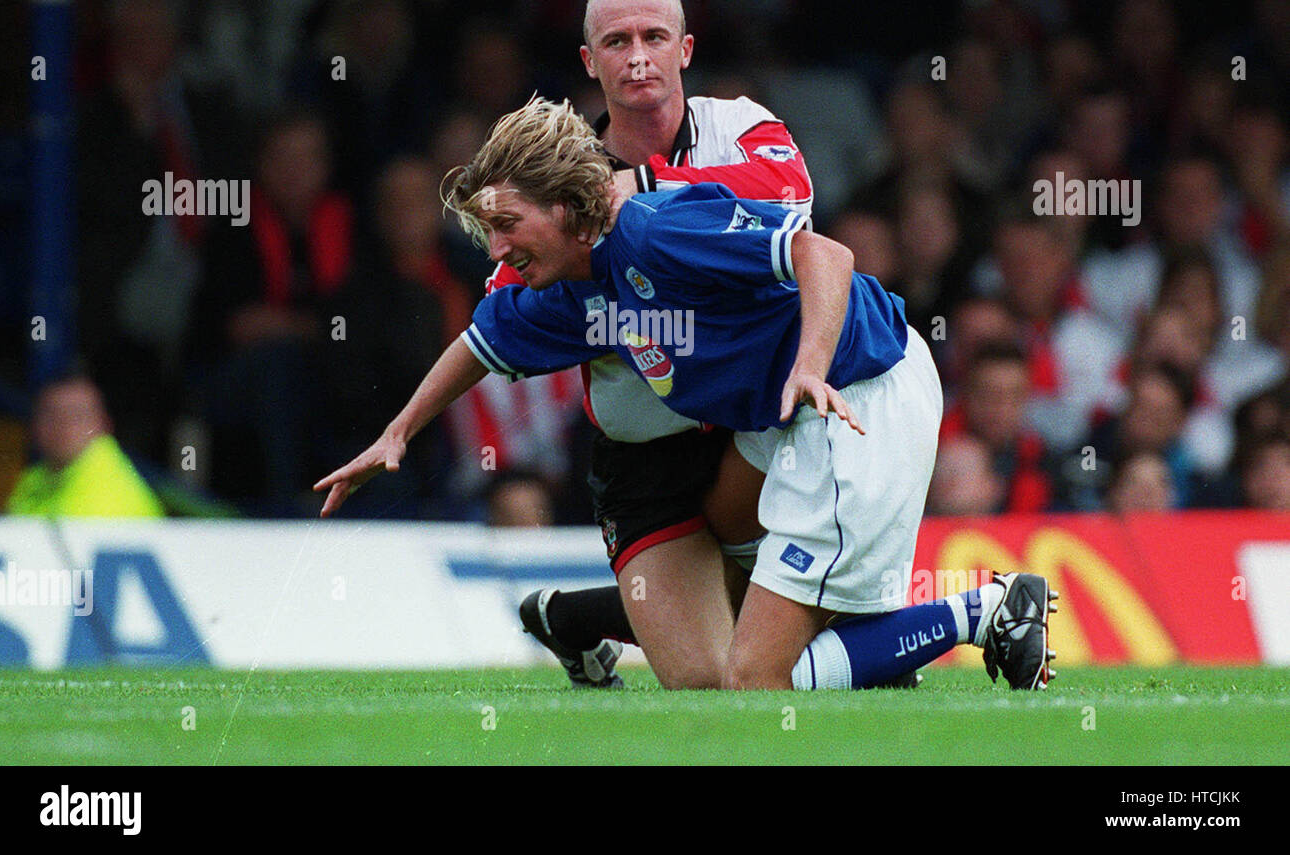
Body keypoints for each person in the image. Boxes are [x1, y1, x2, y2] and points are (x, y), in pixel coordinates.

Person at [316, 97, 1056, 692]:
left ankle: (982, 607)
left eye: (508, 225)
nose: (499, 250)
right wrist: (399, 431)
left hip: (857, 392)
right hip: (786, 419)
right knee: (729, 542)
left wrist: (810, 364)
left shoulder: (655, 230)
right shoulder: (574, 287)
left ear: (568, 209)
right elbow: (481, 342)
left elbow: (822, 253)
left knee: (754, 678)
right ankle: (855, 652)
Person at [486, 0, 815, 689]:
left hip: (743, 420)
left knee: (779, 642)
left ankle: (575, 616)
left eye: (653, 37)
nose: (637, 56)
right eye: (617, 41)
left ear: (685, 49)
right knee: (707, 681)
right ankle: (578, 616)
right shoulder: (556, 167)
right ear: (588, 61)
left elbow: (794, 199)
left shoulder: (739, 122)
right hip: (645, 452)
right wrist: (622, 309)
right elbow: (506, 296)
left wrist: (646, 188)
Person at [7, 374, 164, 518]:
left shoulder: (109, 489)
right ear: (33, 423)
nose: (62, 424)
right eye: (50, 415)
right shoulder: (37, 476)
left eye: (77, 416)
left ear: (104, 424)